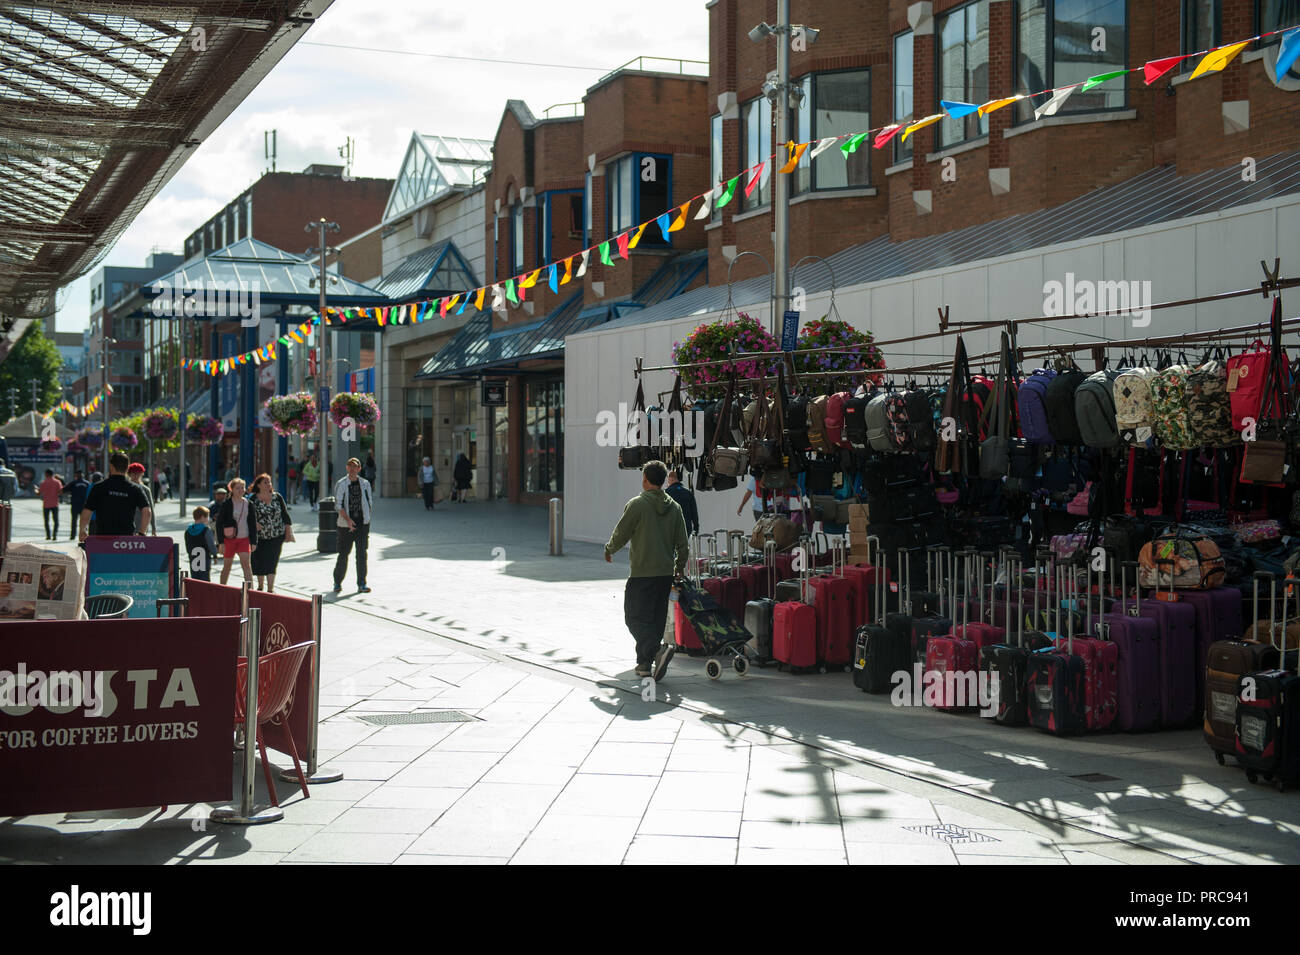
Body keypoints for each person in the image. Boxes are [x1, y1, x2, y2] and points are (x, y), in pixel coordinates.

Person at [603, 460, 689, 681]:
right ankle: (644, 665)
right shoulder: (675, 508)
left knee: (633, 617)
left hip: (642, 572)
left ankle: (657, 651)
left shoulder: (637, 504)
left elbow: (622, 532)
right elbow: (683, 543)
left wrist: (610, 548)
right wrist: (679, 567)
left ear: (645, 480)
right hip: (665, 573)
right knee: (656, 619)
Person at [80, 453, 150, 540]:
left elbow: (87, 511)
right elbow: (147, 512)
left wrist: (83, 531)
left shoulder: (99, 487)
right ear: (127, 468)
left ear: (111, 466)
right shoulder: (135, 489)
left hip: (103, 538)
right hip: (126, 539)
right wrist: (141, 534)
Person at [332, 456, 373, 594]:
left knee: (362, 554)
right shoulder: (342, 483)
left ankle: (362, 583)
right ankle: (337, 582)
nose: (352, 468)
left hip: (362, 524)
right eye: (350, 466)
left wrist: (367, 518)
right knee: (343, 554)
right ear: (346, 468)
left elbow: (369, 502)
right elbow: (338, 505)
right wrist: (348, 520)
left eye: (355, 466)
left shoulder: (365, 484)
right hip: (345, 525)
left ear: (359, 468)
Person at [249, 472, 293, 593]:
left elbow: (285, 515)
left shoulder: (277, 497)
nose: (268, 484)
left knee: (272, 560)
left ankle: (270, 588)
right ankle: (260, 586)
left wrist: (288, 531)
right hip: (260, 537)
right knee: (259, 560)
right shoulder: (253, 499)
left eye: (269, 482)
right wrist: (254, 524)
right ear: (258, 485)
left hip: (276, 535)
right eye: (265, 482)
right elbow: (248, 517)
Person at [215, 477, 256, 585]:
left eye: (242, 488)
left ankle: (249, 591)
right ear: (232, 490)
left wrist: (253, 541)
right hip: (229, 539)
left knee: (246, 565)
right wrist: (221, 542)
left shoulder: (249, 504)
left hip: (244, 538)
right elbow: (219, 523)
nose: (241, 490)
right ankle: (222, 588)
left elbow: (252, 523)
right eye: (238, 488)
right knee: (227, 566)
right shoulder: (226, 504)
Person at [184, 506, 217, 582]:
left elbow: (187, 547)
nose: (208, 519)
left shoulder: (188, 531)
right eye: (207, 517)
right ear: (203, 517)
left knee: (195, 577)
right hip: (204, 559)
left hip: (193, 559)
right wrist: (214, 554)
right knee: (205, 579)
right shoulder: (206, 530)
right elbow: (211, 544)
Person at [664, 468, 699, 537]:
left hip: (670, 528)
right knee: (683, 547)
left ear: (671, 479)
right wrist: (696, 528)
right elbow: (694, 512)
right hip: (686, 527)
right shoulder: (688, 493)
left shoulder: (666, 493)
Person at [126, 462, 156, 535]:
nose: (136, 475)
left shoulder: (146, 490)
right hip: (127, 524)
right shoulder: (125, 488)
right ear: (129, 474)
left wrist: (153, 528)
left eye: (138, 473)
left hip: (141, 525)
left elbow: (151, 509)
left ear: (142, 474)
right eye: (133, 473)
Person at [38, 469, 63, 540]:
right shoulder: (57, 482)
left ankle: (48, 535)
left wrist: (35, 490)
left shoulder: (43, 483)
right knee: (56, 520)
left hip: (46, 504)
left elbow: (39, 493)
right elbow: (61, 492)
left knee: (46, 520)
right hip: (55, 504)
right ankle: (54, 535)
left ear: (47, 474)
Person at [65, 470, 89, 540]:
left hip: (75, 504)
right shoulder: (87, 483)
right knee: (84, 521)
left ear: (76, 475)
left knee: (74, 521)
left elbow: (65, 489)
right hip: (84, 505)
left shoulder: (73, 483)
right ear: (82, 475)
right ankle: (84, 535)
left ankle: (72, 536)